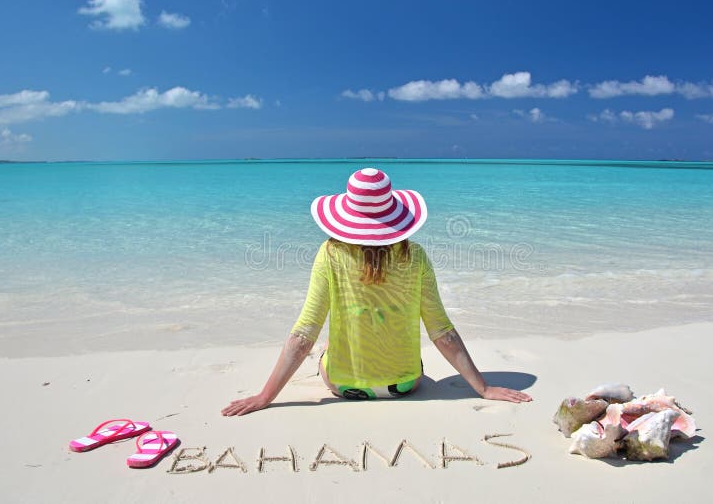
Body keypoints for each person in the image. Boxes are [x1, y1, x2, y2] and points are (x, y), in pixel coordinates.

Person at [222, 168, 532, 416]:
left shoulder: (329, 254)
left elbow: (304, 335)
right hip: (405, 385)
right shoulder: (416, 256)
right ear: (394, 214)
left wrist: (265, 396)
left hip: (344, 387)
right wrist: (482, 388)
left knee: (326, 344)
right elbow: (442, 333)